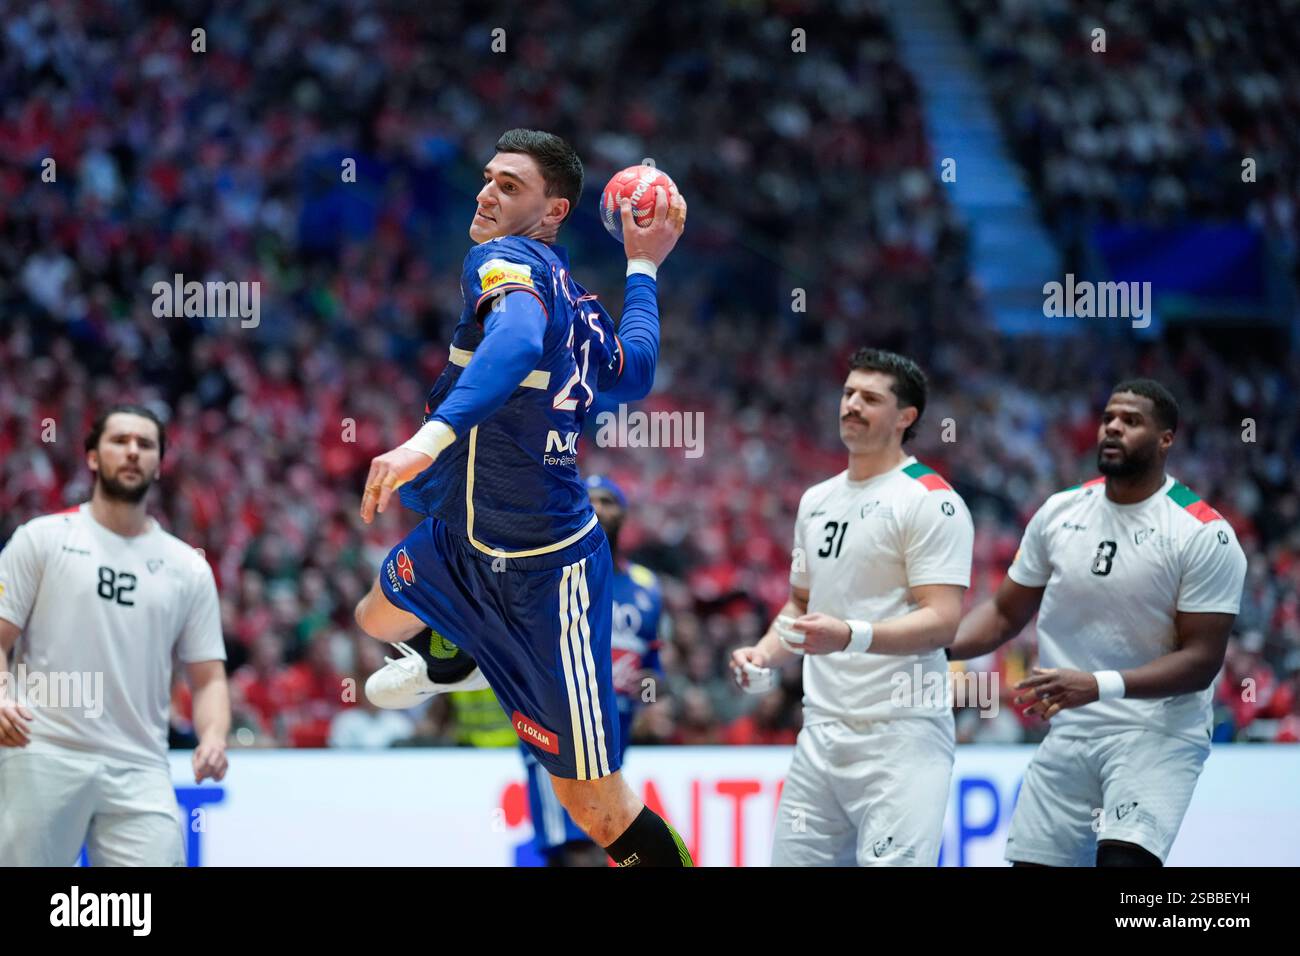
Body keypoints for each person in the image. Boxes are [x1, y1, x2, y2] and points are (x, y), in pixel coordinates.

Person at [352, 129, 693, 866]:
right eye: (488, 179)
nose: (487, 193)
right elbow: (631, 373)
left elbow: (514, 336)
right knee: (373, 614)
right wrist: (642, 269)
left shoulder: (505, 261)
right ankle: (454, 656)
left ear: (552, 211)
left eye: (510, 186)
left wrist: (427, 439)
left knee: (593, 807)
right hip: (463, 541)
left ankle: (461, 653)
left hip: (547, 572)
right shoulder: (580, 299)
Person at [948, 379, 1247, 867]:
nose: (1112, 427)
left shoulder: (1202, 534)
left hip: (1157, 733)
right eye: (1109, 417)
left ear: (1166, 439)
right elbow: (1004, 613)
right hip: (1070, 731)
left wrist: (1097, 685)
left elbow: (1201, 661)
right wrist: (935, 646)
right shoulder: (1059, 513)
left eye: (1131, 421)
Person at [731, 349, 974, 866]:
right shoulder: (816, 500)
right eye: (848, 394)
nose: (852, 406)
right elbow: (800, 604)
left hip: (902, 735)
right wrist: (763, 654)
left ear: (905, 417)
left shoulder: (932, 500)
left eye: (870, 398)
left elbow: (943, 620)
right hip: (821, 732)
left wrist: (850, 635)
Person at [0, 405, 230, 866]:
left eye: (145, 445)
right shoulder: (41, 539)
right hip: (43, 750)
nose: (132, 452)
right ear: (91, 457)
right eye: (119, 441)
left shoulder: (188, 567)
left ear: (159, 464)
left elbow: (208, 677)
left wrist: (214, 737)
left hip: (141, 763)